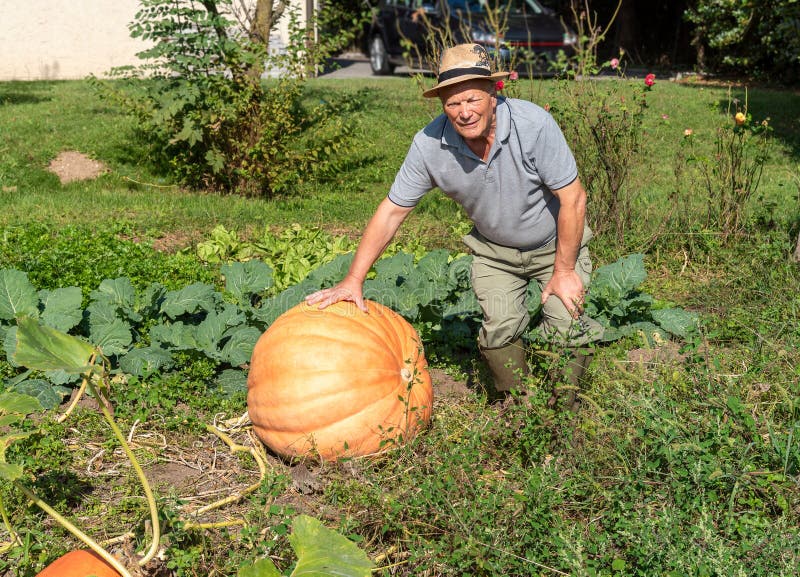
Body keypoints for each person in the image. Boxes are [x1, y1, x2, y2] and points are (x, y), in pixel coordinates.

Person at [306, 43, 603, 409]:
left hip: (555, 244)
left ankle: (567, 411)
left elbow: (574, 198)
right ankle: (520, 409)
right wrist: (354, 279)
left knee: (566, 319)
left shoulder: (533, 125)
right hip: (495, 252)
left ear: (494, 93)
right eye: (452, 103)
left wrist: (564, 269)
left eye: (472, 100)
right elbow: (392, 211)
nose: (463, 113)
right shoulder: (430, 145)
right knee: (499, 329)